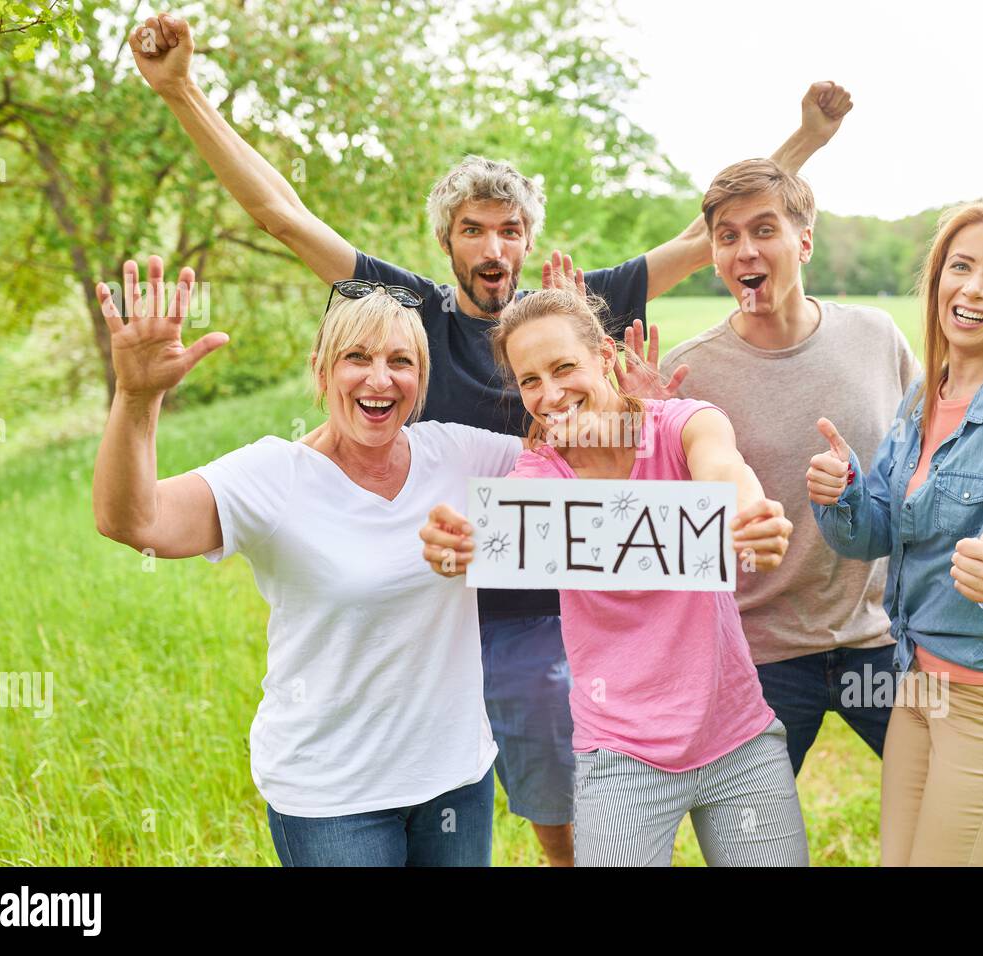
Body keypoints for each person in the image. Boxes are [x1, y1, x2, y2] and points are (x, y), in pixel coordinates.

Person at [128, 10, 852, 866]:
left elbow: (711, 237)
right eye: (473, 228)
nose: (493, 244)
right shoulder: (410, 313)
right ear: (449, 242)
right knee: (550, 775)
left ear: (531, 243)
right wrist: (181, 92)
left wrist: (805, 140)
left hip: (590, 581)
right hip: (483, 596)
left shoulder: (583, 301)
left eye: (509, 228)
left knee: (597, 749)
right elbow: (282, 216)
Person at [92, 255, 527, 866]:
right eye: (357, 358)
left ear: (421, 380)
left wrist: (601, 375)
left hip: (456, 778)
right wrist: (137, 397)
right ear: (322, 372)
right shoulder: (274, 476)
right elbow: (133, 522)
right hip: (333, 799)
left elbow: (576, 467)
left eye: (400, 361)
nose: (380, 380)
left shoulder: (458, 455)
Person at [419, 287, 808, 866]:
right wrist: (459, 544)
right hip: (620, 751)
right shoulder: (539, 472)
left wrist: (745, 513)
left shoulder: (681, 424)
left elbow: (725, 468)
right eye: (530, 381)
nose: (550, 395)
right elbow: (496, 527)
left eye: (563, 367)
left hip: (737, 739)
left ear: (604, 355)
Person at [808, 202, 983, 866]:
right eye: (960, 267)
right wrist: (844, 495)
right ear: (937, 279)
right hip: (918, 682)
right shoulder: (923, 397)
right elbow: (877, 531)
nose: (972, 288)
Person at [650, 158, 916, 779]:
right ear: (714, 255)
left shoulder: (876, 337)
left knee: (962, 818)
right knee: (749, 846)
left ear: (805, 241)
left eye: (764, 230)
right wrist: (650, 430)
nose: (746, 250)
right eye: (728, 236)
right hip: (758, 654)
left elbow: (927, 458)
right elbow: (662, 520)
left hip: (879, 638)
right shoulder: (689, 372)